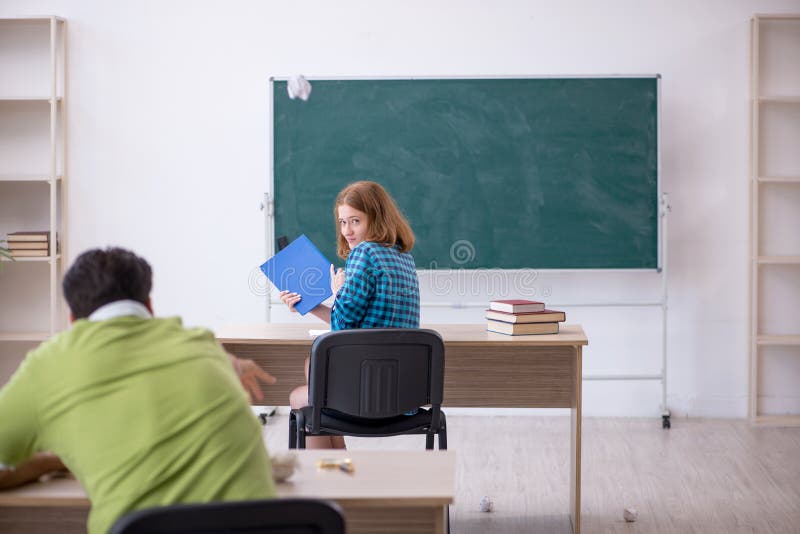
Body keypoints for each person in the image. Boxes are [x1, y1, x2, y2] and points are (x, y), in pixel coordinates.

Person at [0, 247, 277, 534]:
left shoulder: (49, 364)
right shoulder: (203, 344)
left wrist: (47, 463)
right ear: (149, 304)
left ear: (72, 319)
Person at [280, 180, 420, 449]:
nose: (347, 231)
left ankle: (325, 487)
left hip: (368, 392)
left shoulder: (364, 253)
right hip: (400, 392)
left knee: (303, 399)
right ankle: (341, 483)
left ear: (376, 218)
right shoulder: (403, 256)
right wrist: (311, 306)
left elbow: (342, 325)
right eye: (343, 222)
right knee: (315, 380)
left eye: (355, 221)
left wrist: (338, 290)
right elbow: (353, 323)